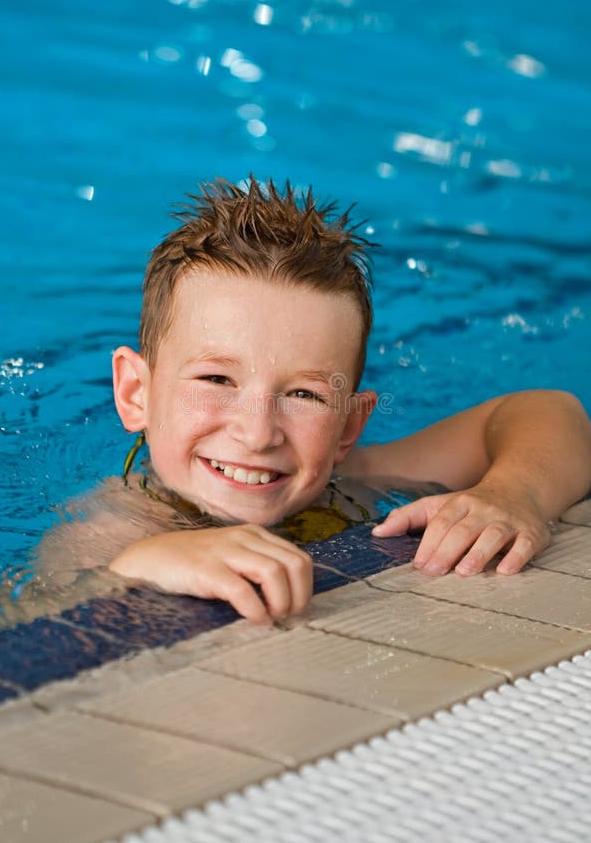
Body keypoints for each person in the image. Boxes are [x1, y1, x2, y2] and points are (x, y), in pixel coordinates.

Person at [45, 178, 591, 625]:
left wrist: (515, 493)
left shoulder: (351, 475)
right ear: (136, 393)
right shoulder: (111, 530)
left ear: (349, 427)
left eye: (304, 394)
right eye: (216, 380)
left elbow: (548, 409)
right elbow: (37, 635)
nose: (258, 434)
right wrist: (140, 566)